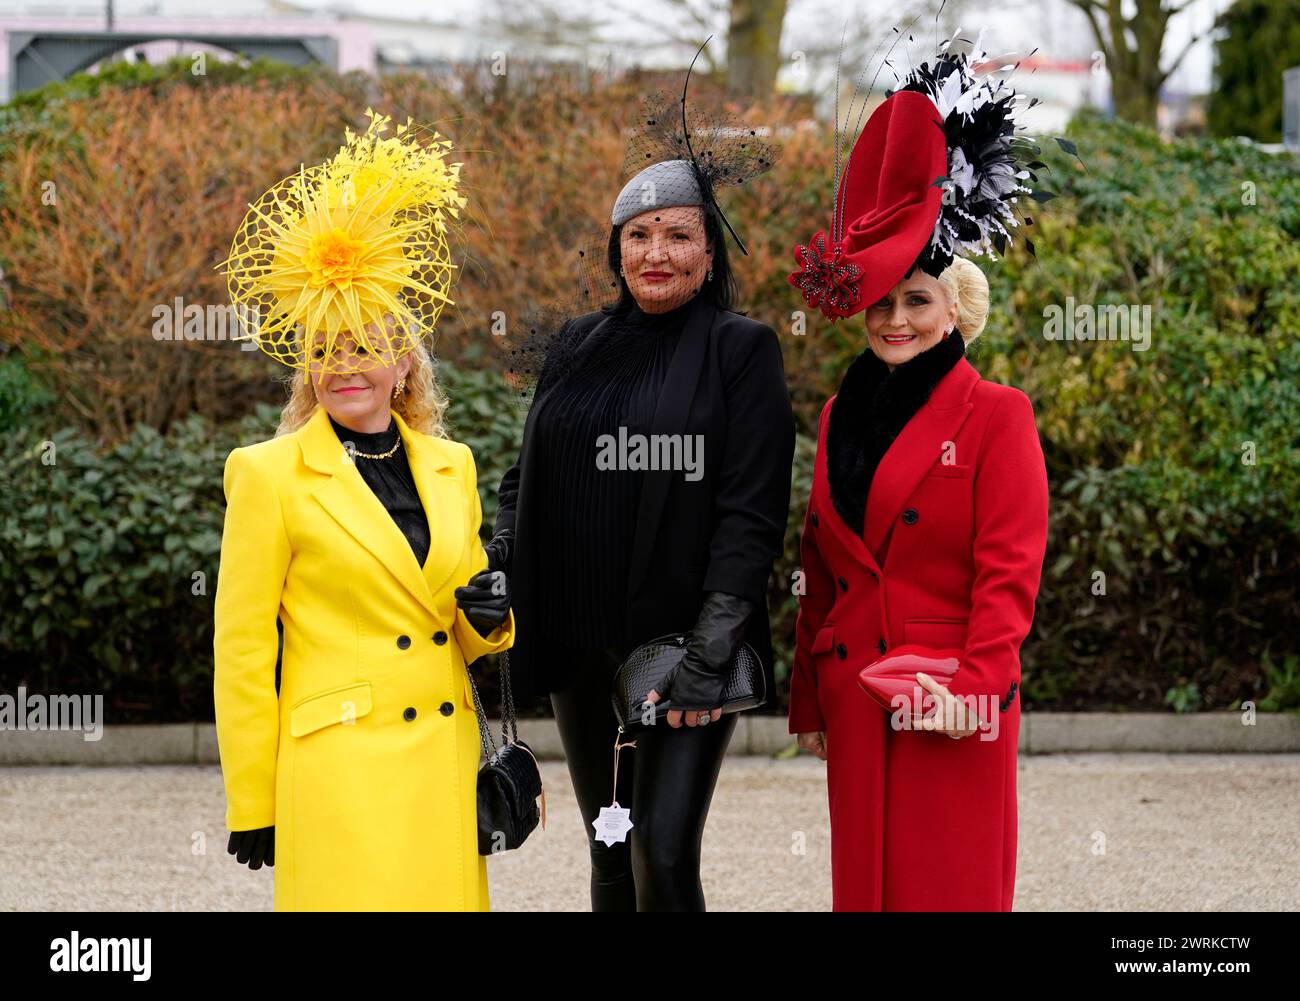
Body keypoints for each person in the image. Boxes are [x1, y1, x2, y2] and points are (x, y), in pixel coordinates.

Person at [487, 91, 793, 910]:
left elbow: (752, 512)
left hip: (680, 649)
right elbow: (526, 477)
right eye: (639, 235)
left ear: (708, 253)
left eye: (679, 234)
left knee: (664, 845)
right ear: (616, 249)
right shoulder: (576, 345)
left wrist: (710, 652)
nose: (658, 251)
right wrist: (499, 561)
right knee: (612, 845)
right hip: (578, 648)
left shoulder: (741, 351)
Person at [212, 111, 514, 911]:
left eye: (363, 345)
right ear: (305, 366)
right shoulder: (267, 474)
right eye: (324, 348)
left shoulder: (453, 466)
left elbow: (467, 618)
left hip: (439, 764)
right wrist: (253, 800)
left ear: (403, 359)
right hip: (336, 774)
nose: (343, 365)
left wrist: (491, 613)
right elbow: (242, 650)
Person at [786, 40, 1052, 911]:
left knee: (949, 886)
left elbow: (1008, 572)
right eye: (883, 302)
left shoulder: (998, 413)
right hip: (856, 698)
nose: (896, 318)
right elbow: (821, 566)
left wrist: (976, 690)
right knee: (864, 892)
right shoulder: (836, 413)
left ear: (955, 308)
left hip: (948, 693)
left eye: (917, 300)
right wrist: (812, 700)